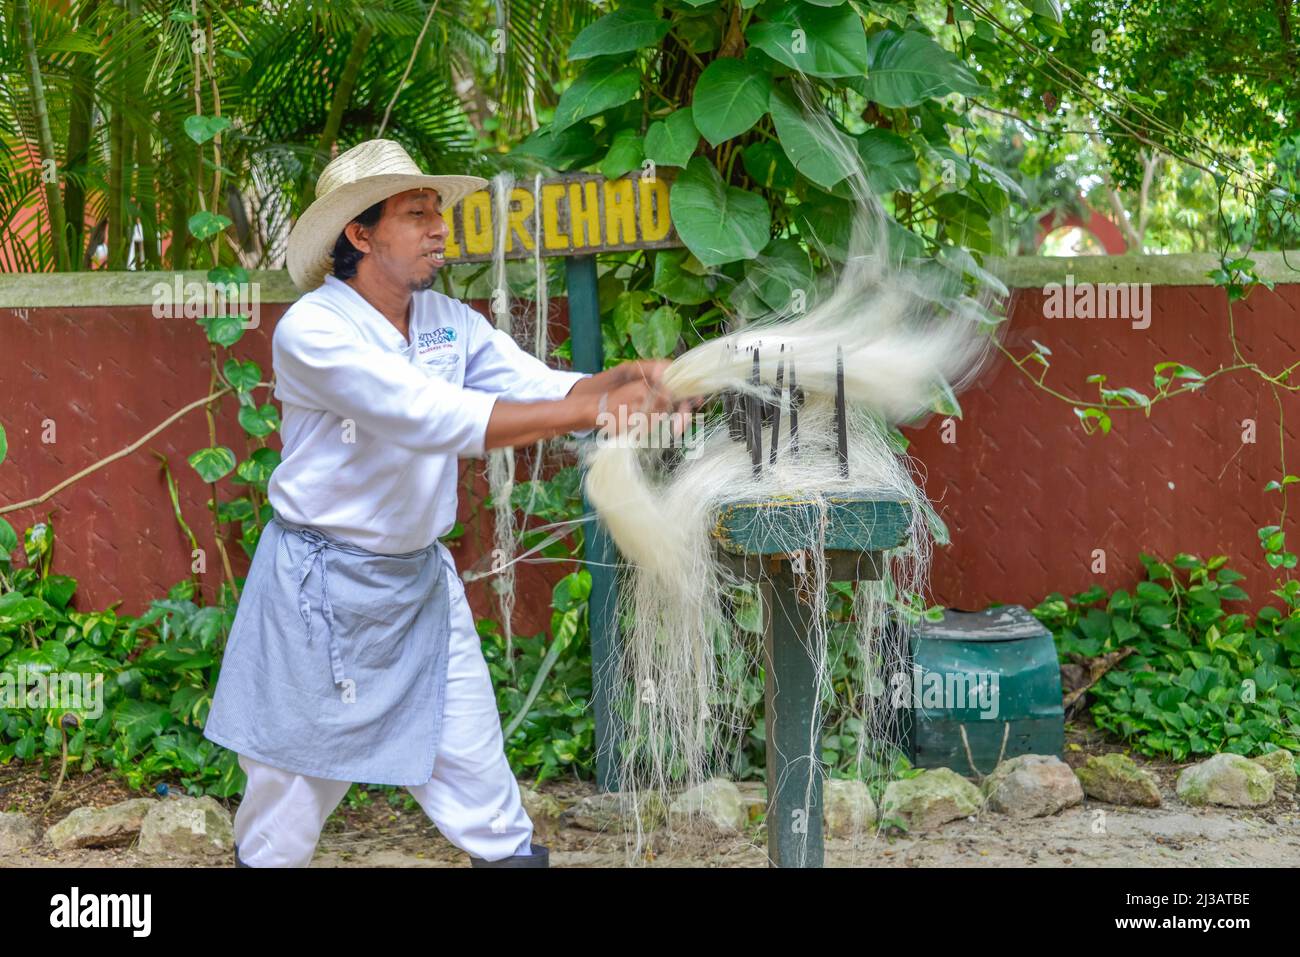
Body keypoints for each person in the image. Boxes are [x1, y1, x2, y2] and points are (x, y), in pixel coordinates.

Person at [202, 139, 682, 868]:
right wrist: (597, 411)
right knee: (283, 820)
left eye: (438, 212)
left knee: (487, 798)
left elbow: (540, 385)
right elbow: (433, 417)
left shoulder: (446, 321)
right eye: (416, 212)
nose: (439, 227)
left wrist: (625, 379)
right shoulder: (315, 331)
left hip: (419, 591)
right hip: (318, 598)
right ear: (359, 235)